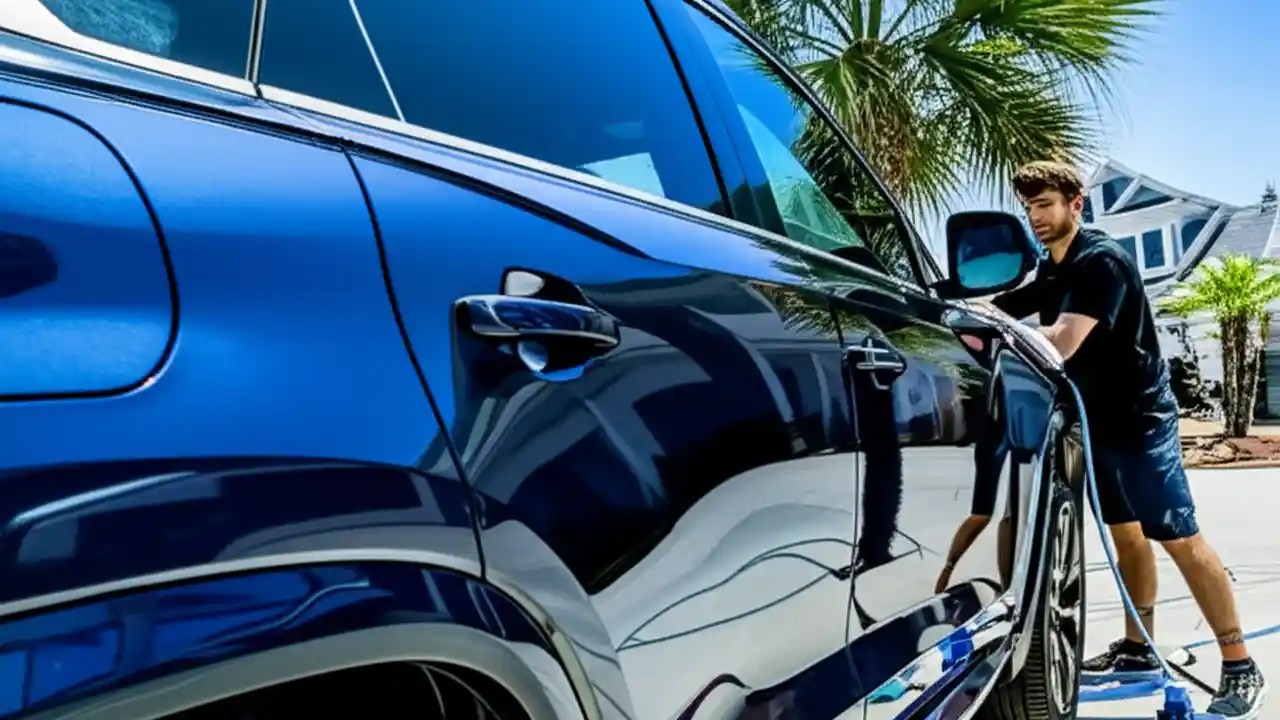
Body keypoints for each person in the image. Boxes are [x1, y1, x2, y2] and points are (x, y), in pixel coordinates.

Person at [988, 160, 1266, 718]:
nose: (1036, 218)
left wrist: (999, 327)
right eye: (1029, 208)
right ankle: (1139, 650)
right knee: (1127, 538)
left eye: (1045, 205)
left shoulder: (1100, 262)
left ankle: (1239, 664)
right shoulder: (1054, 267)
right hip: (1097, 423)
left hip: (1141, 422)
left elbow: (1061, 342)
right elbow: (1000, 308)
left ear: (1076, 204)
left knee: (1179, 537)